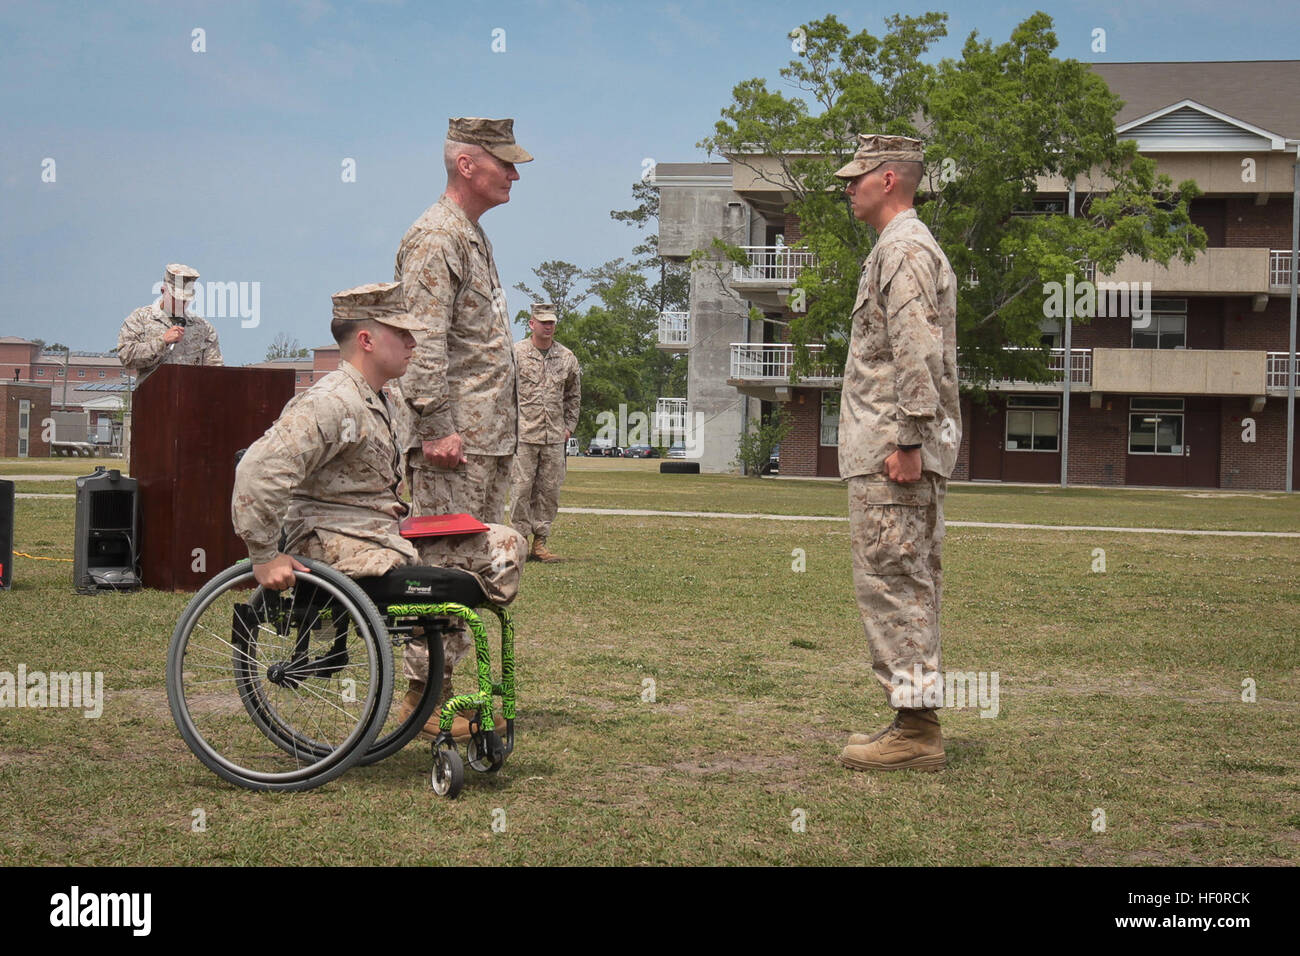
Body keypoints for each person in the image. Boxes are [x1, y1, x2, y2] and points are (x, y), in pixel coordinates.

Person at [231, 281, 525, 741]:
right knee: (471, 566)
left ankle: (429, 689)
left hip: (378, 535)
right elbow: (258, 470)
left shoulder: (377, 396)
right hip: (339, 547)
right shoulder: (332, 402)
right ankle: (428, 696)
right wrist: (264, 553)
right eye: (401, 334)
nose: (414, 343)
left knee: (505, 545)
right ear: (366, 339)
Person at [392, 116, 532, 719]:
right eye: (505, 162)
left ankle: (460, 694)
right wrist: (436, 428)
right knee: (440, 568)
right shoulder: (435, 237)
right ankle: (423, 697)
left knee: (474, 569)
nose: (515, 173)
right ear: (467, 164)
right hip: (453, 441)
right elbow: (420, 345)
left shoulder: (470, 235)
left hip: (484, 440)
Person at [832, 135, 961, 772]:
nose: (847, 187)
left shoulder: (903, 248)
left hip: (893, 453)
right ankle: (914, 720)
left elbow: (917, 351)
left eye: (856, 177)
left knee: (894, 583)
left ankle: (915, 730)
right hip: (893, 448)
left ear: (889, 179)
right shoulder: (902, 246)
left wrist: (908, 440)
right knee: (904, 582)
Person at [510, 302, 581, 562]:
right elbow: (505, 393)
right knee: (521, 490)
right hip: (524, 434)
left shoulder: (566, 357)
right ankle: (519, 542)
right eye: (543, 322)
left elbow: (573, 395)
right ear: (532, 324)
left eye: (552, 322)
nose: (549, 326)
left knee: (549, 491)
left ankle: (540, 543)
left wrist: (568, 427)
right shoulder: (516, 353)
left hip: (553, 437)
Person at [117, 263, 222, 385]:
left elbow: (215, 373)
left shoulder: (203, 328)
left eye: (185, 300)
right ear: (163, 291)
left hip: (191, 399)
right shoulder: (140, 319)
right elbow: (127, 357)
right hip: (151, 398)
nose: (181, 303)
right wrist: (162, 341)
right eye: (176, 298)